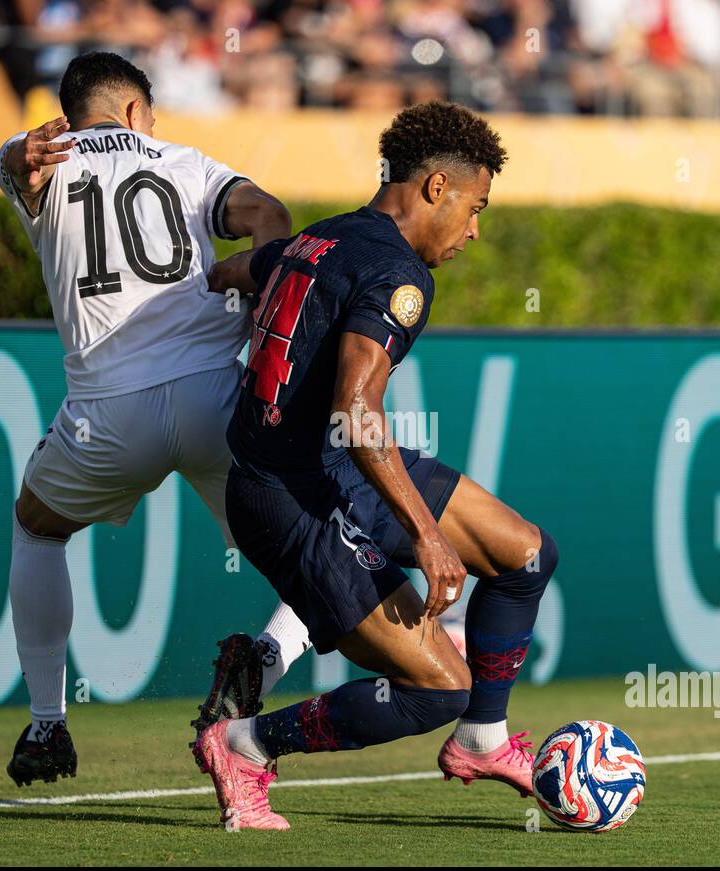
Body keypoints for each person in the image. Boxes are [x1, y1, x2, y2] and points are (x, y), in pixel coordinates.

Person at [195, 101, 559, 831]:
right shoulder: (400, 275)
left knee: (525, 554)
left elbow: (230, 270)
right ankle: (243, 744)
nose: (476, 228)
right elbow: (358, 411)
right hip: (293, 499)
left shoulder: (320, 239)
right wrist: (425, 534)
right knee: (437, 689)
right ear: (435, 189)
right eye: (476, 206)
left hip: (329, 471)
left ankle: (483, 740)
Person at [0, 50, 312, 786]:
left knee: (36, 528)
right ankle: (260, 662)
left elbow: (18, 166)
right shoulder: (187, 162)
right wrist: (261, 290)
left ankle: (47, 725)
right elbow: (272, 217)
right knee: (316, 548)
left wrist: (15, 154)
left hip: (107, 414)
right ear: (137, 111)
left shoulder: (45, 161)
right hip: (215, 398)